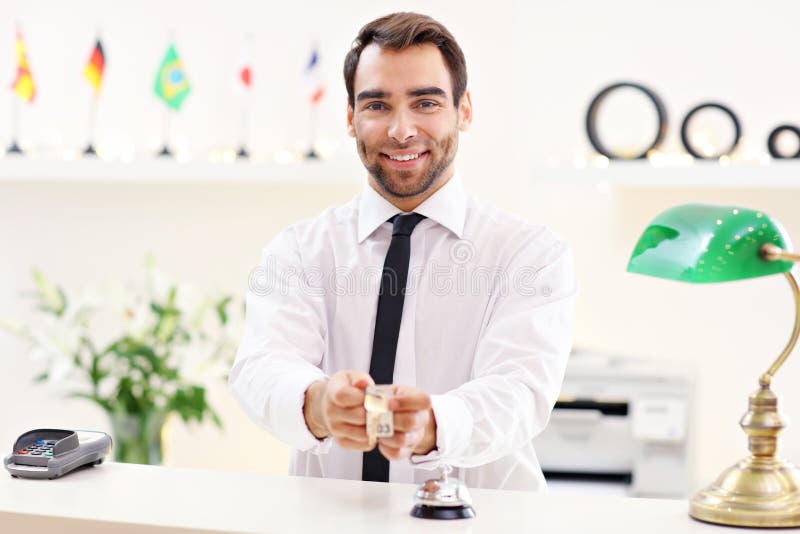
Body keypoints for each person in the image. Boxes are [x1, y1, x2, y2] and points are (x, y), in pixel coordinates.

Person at [229, 12, 576, 490]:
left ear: (465, 110)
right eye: (376, 106)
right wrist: (317, 403)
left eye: (426, 103)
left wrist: (433, 423)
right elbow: (261, 366)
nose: (401, 130)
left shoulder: (530, 254)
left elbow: (519, 391)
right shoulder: (300, 250)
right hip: (330, 520)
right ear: (351, 118)